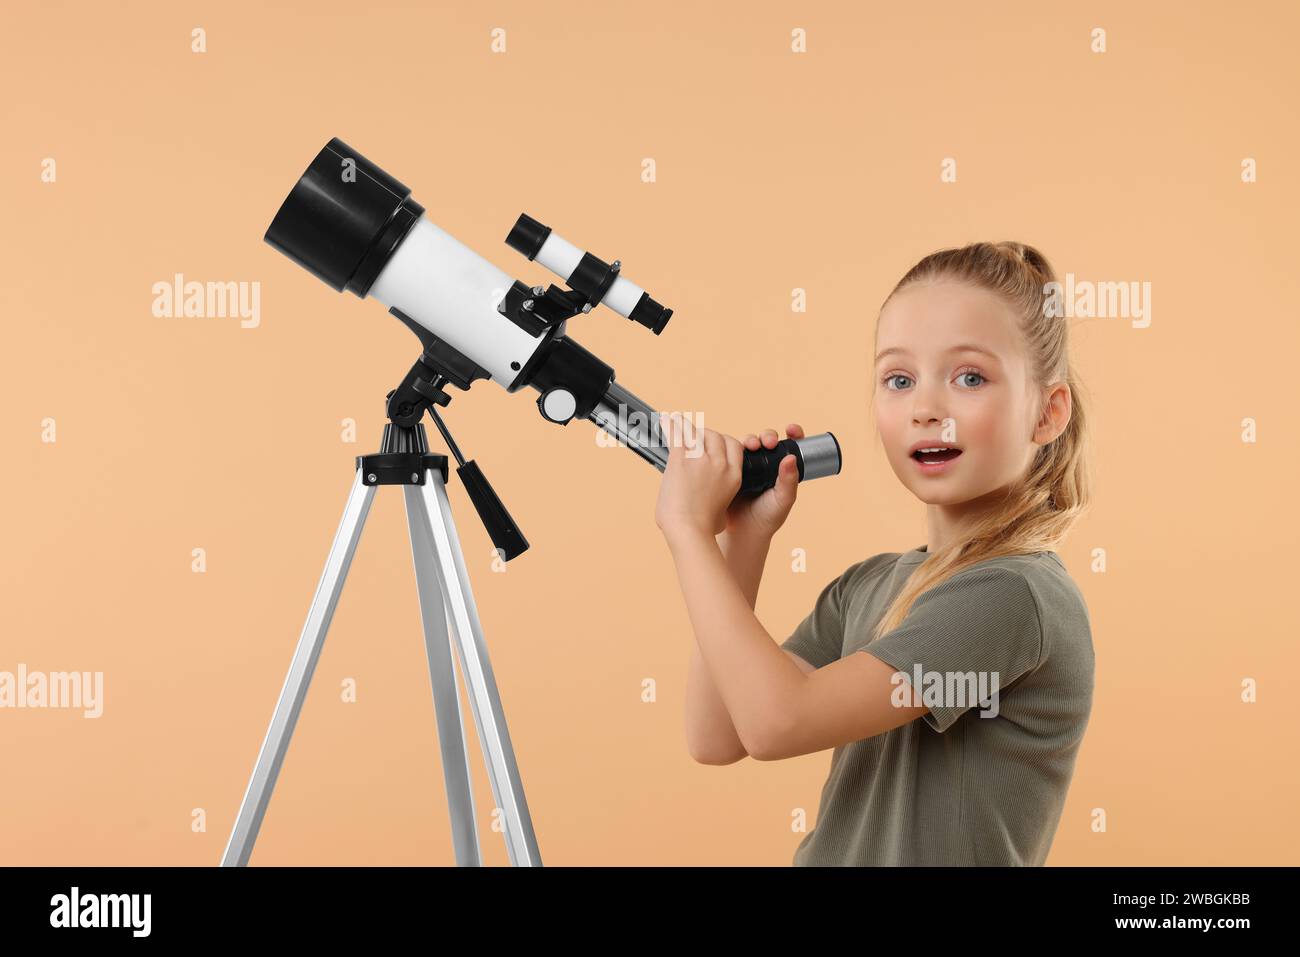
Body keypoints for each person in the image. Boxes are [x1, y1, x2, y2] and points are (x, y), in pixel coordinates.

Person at [654, 241, 1095, 866]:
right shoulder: (866, 585)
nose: (926, 409)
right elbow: (718, 732)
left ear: (1047, 414)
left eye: (970, 377)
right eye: (899, 379)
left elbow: (778, 723)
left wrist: (687, 532)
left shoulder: (1011, 595)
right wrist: (744, 539)